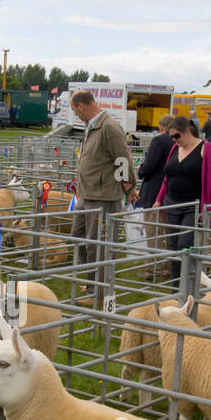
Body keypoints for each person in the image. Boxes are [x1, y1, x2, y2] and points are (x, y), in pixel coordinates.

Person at [69, 89, 136, 305]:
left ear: (81, 105)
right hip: (88, 194)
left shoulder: (109, 127)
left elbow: (122, 160)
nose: (75, 115)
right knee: (78, 238)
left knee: (96, 244)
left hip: (103, 195)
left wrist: (128, 188)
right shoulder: (93, 126)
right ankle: (93, 282)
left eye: (74, 110)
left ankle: (97, 291)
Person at [152, 115, 211, 283]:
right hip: (172, 204)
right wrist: (159, 199)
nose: (174, 140)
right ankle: (177, 287)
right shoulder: (174, 149)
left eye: (176, 136)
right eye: (172, 137)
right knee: (174, 246)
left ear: (186, 131)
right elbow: (168, 177)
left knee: (184, 245)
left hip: (193, 206)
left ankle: (189, 284)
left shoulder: (206, 149)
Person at [136, 115, 175, 280]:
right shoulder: (178, 141)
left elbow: (150, 165)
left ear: (161, 127)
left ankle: (154, 270)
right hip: (171, 191)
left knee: (154, 232)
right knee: (167, 232)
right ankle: (168, 268)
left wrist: (141, 170)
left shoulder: (159, 141)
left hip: (155, 191)